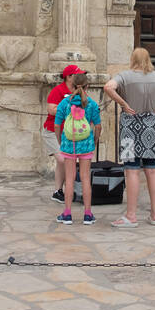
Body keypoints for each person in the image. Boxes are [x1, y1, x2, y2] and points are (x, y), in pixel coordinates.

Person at [103, 48, 155, 228]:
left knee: (132, 170)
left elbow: (108, 87)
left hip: (130, 127)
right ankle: (154, 214)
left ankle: (131, 215)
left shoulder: (125, 76)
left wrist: (122, 103)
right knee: (152, 170)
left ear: (132, 59)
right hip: (152, 127)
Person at [52, 73, 102, 225]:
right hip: (86, 144)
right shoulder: (92, 104)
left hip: (69, 144)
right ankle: (87, 214)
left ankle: (67, 214)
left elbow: (56, 125)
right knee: (86, 178)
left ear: (71, 86)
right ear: (87, 86)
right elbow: (98, 126)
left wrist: (61, 141)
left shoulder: (65, 103)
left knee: (69, 178)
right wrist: (94, 139)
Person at [42, 64, 84, 202]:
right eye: (77, 75)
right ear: (69, 77)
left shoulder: (80, 90)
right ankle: (69, 189)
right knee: (62, 159)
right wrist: (68, 110)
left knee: (65, 161)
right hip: (53, 131)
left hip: (71, 131)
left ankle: (59, 191)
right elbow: (51, 109)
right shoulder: (58, 90)